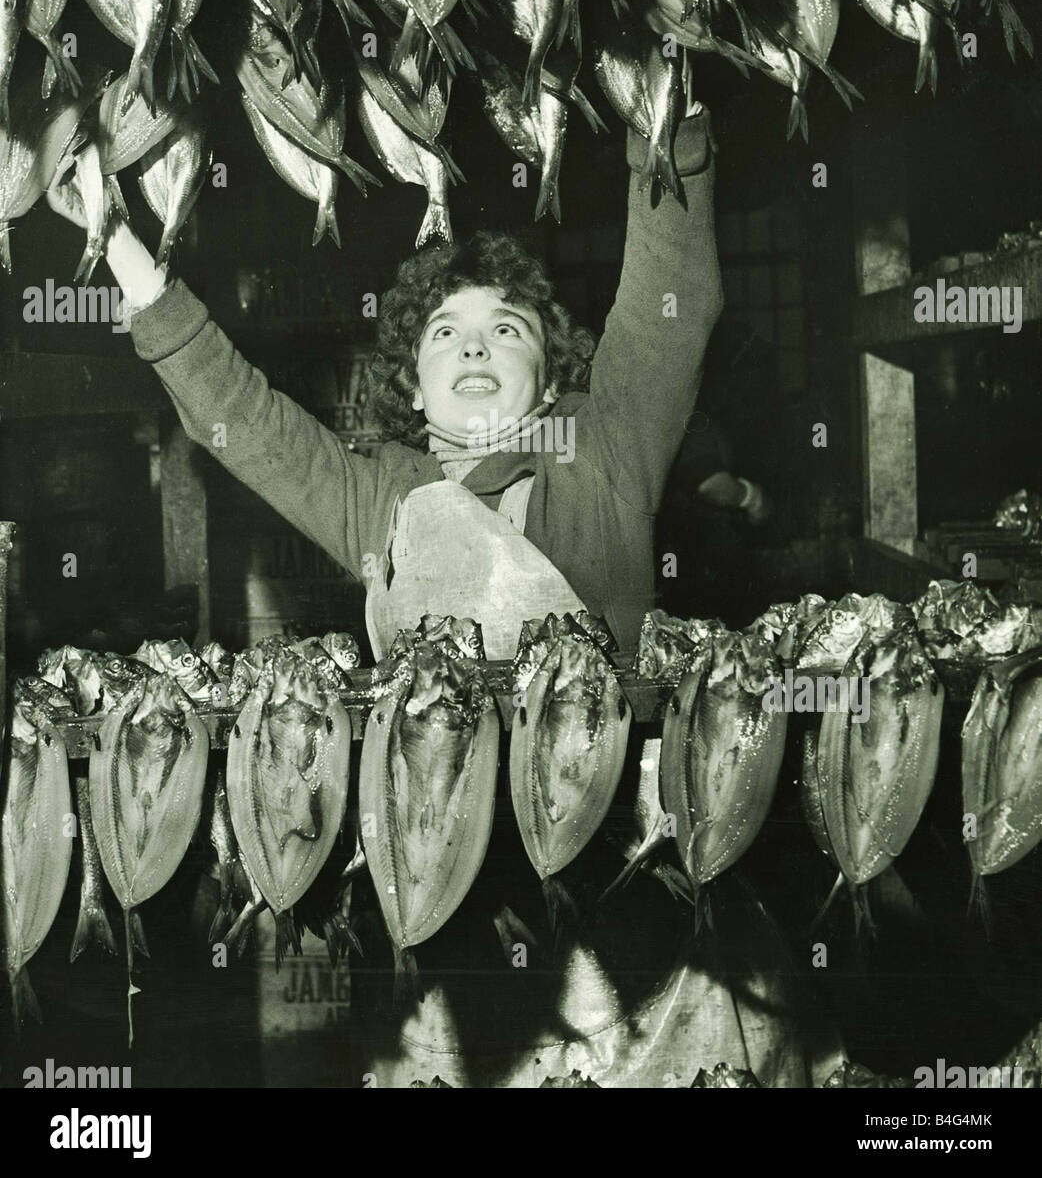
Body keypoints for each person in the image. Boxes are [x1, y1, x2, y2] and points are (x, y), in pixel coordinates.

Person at [53, 97, 841, 1087]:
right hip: (458, 916)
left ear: (553, 378)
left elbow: (669, 299)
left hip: (647, 906)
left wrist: (667, 121)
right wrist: (120, 243)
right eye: (442, 334)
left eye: (505, 330)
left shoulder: (604, 452)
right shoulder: (381, 493)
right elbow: (238, 418)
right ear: (413, 389)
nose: (472, 345)